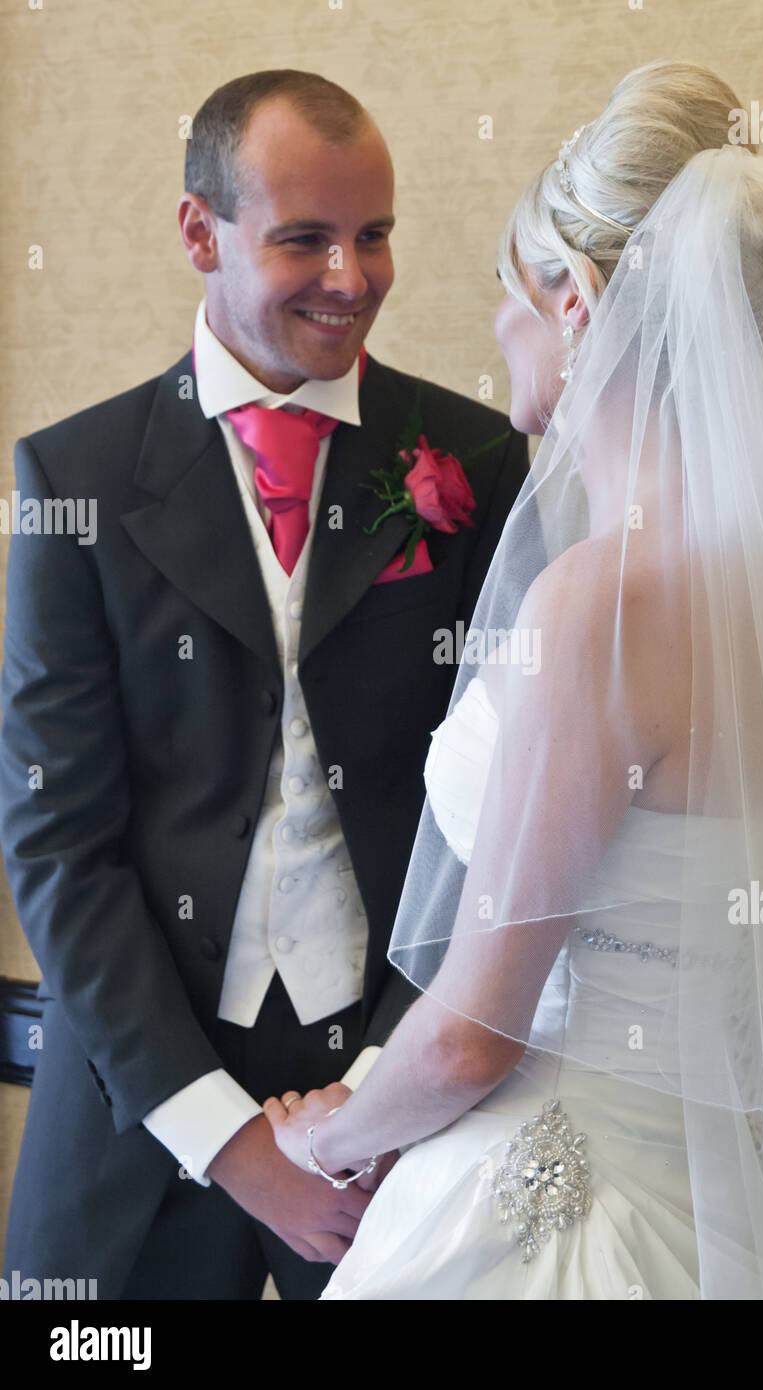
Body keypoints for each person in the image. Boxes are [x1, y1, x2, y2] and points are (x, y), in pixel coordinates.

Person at [266, 59, 763, 1299]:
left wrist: (318, 1139)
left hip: (569, 1206)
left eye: (506, 293)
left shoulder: (604, 601)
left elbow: (477, 1034)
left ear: (577, 300)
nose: (494, 329)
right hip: (760, 1215)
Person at [0, 70, 529, 1300]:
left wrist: (382, 1092)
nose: (351, 277)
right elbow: (58, 843)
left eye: (376, 234)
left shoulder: (476, 460)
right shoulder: (69, 479)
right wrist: (234, 1145)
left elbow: (500, 810)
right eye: (305, 238)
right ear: (201, 232)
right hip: (140, 1126)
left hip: (398, 1126)